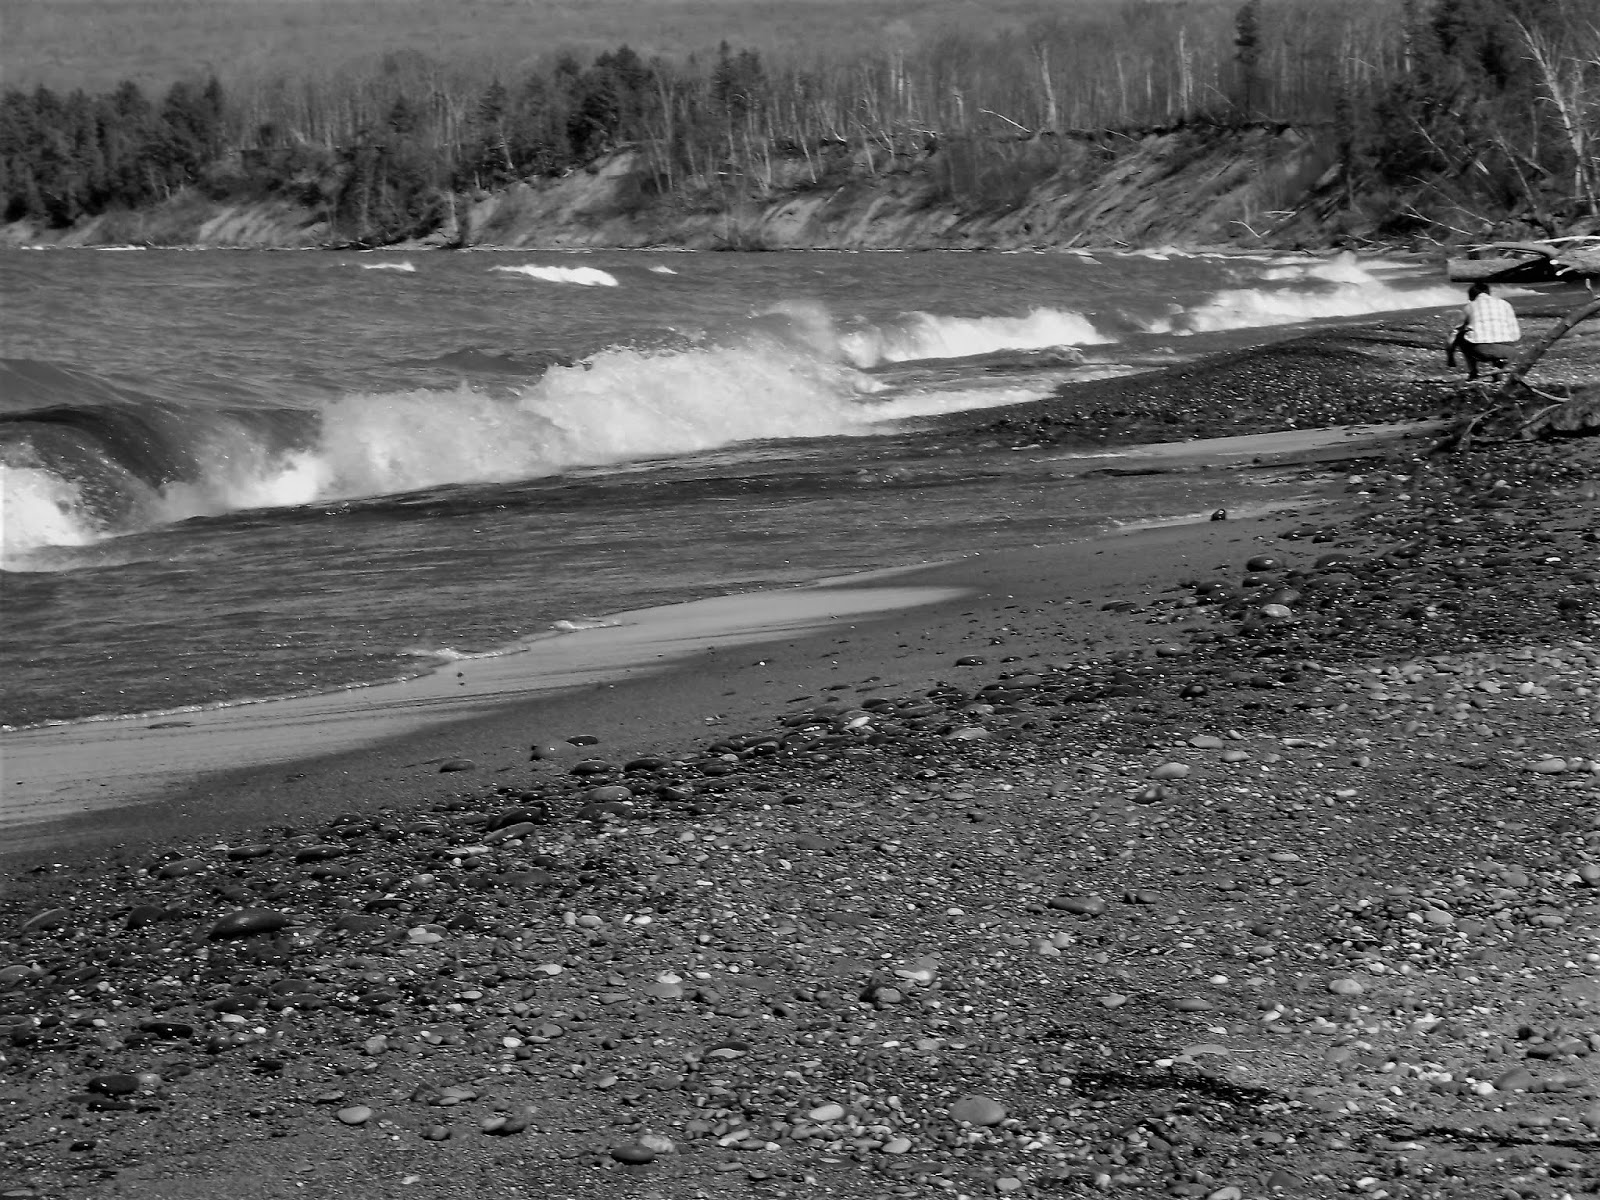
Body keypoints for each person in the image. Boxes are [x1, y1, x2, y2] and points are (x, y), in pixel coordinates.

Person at [1447, 282, 1521, 380]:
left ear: (1471, 297)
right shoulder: (1505, 304)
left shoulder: (1470, 306)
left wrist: (1450, 357)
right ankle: (1499, 370)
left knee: (1460, 335)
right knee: (1497, 337)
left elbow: (1454, 334)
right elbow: (1515, 332)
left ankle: (1473, 372)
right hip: (1510, 351)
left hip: (1482, 350)